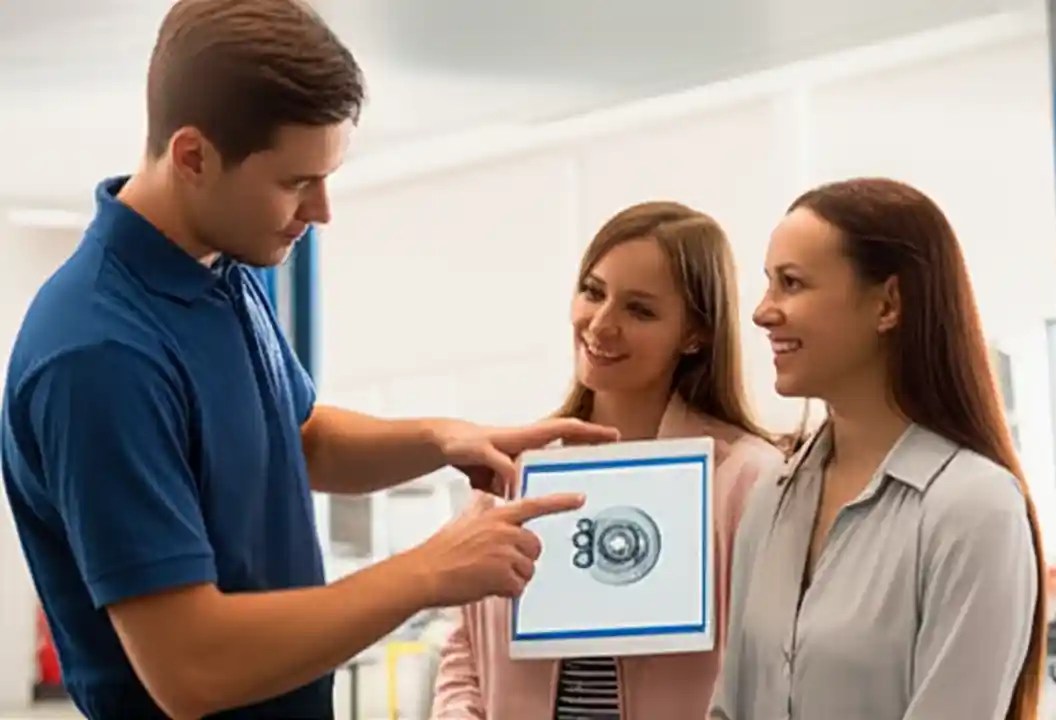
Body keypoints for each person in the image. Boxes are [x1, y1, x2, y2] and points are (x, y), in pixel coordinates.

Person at [0, 2, 618, 719]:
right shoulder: (99, 356)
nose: (321, 210)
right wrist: (427, 572)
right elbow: (190, 667)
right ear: (193, 155)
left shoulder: (222, 266)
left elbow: (298, 440)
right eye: (297, 182)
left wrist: (441, 440)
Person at [430, 202, 785, 720]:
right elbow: (464, 648)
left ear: (695, 334)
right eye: (593, 292)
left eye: (639, 310)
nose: (600, 323)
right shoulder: (509, 470)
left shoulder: (745, 481)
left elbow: (770, 669)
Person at [710, 178, 1047, 720]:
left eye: (791, 284)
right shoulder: (774, 495)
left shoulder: (971, 507)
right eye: (769, 284)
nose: (762, 312)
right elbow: (731, 706)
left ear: (888, 304)